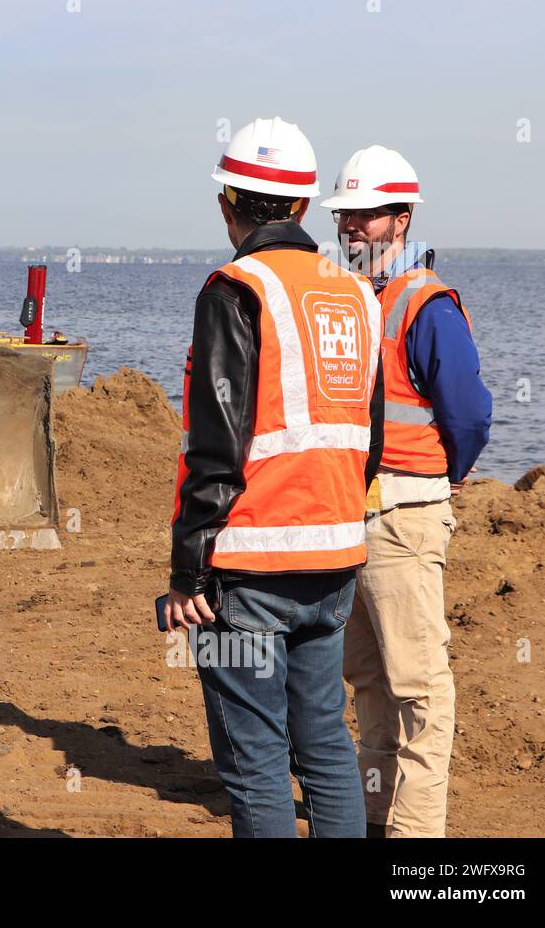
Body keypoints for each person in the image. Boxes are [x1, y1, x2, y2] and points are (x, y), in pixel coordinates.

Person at [166, 117, 384, 838]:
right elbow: (369, 440)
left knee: (257, 763)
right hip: (335, 563)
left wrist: (188, 575)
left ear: (228, 205)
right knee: (324, 744)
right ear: (302, 207)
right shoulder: (355, 294)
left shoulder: (235, 289)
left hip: (251, 571)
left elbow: (214, 449)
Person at [322, 146, 491, 838]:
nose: (353, 226)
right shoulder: (387, 300)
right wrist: (454, 466)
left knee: (387, 693)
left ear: (402, 217)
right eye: (347, 215)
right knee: (411, 695)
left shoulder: (388, 302)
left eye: (366, 214)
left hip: (369, 514)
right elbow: (470, 418)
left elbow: (465, 410)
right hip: (389, 518)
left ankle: (381, 824)